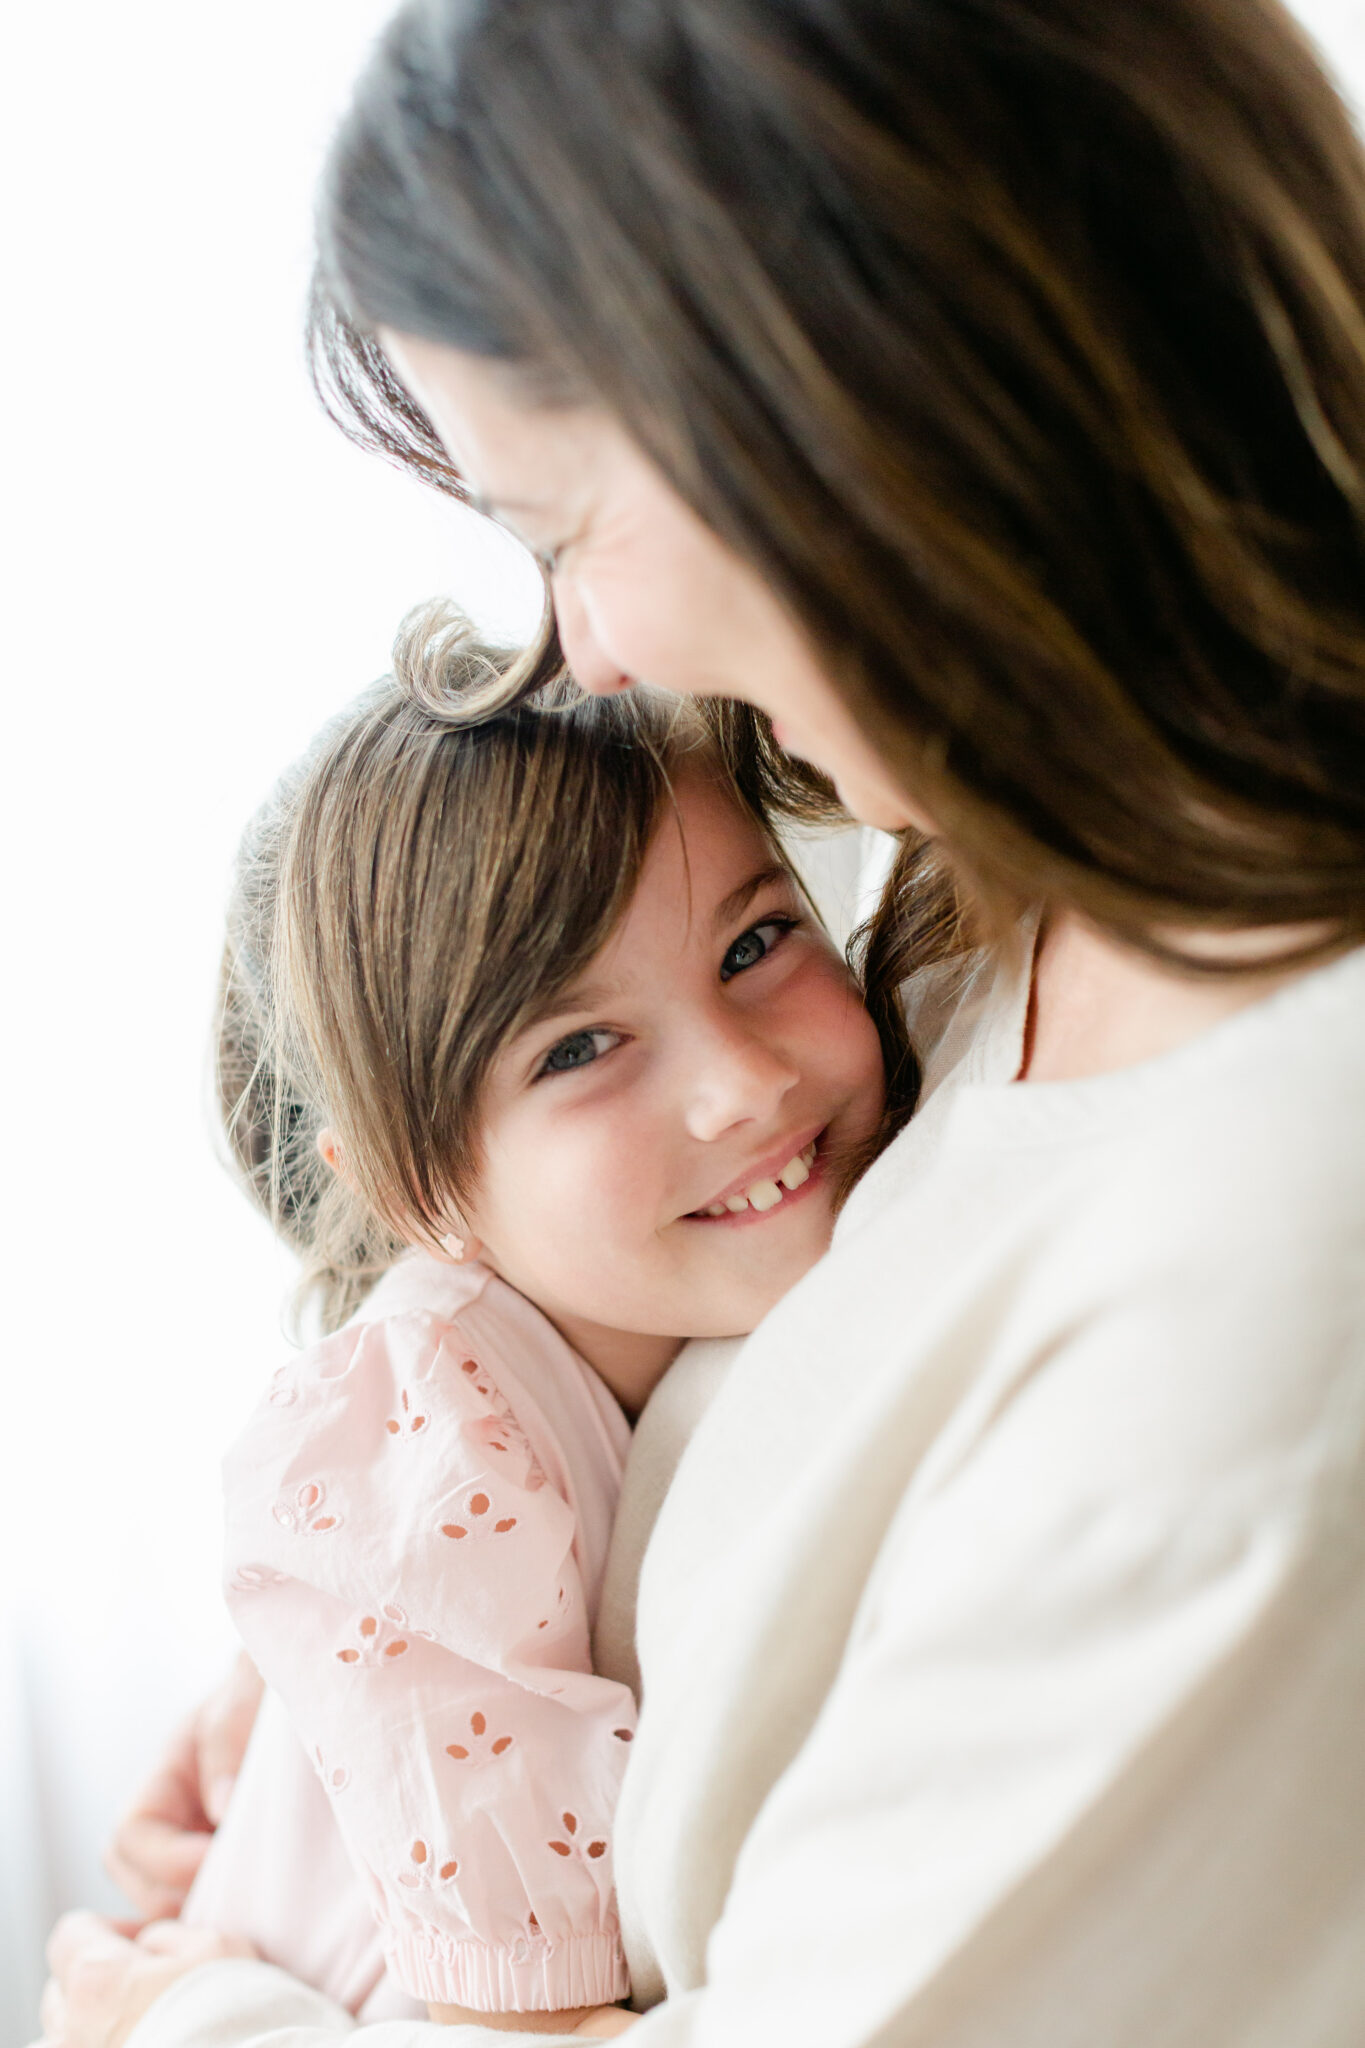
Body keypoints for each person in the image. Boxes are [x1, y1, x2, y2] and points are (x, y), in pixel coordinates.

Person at [41, 0, 1365, 2043]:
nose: (584, 649)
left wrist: (193, 2020)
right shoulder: (992, 905)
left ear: (849, 422)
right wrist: (383, 1666)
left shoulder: (1263, 1260)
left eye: (563, 528)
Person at [108, 605, 888, 2039]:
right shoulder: (432, 1430)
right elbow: (521, 2031)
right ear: (416, 1189)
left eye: (756, 942)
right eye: (580, 1047)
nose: (745, 1084)